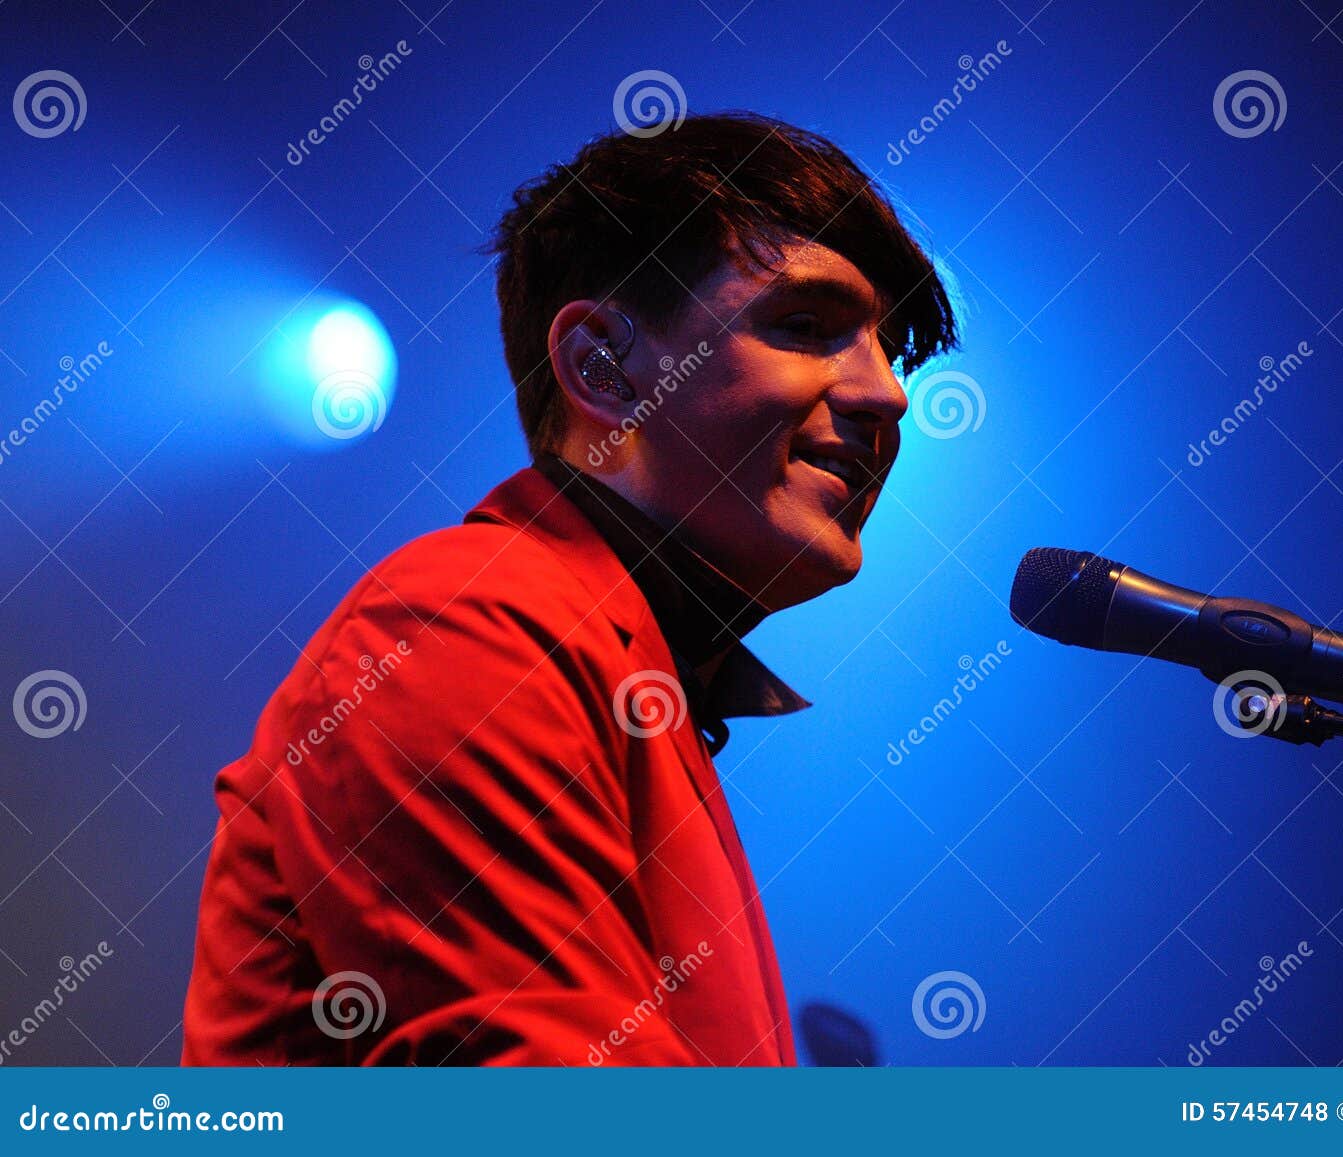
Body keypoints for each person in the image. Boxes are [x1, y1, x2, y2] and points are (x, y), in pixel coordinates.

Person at [181, 111, 958, 1065]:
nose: (889, 395)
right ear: (603, 366)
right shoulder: (464, 620)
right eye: (804, 326)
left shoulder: (621, 667)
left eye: (888, 351)